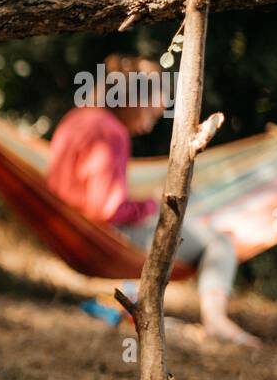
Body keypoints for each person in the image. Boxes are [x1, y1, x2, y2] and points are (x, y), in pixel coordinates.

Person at [48, 54, 259, 346]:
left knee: (191, 216)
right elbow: (106, 209)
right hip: (103, 236)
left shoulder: (78, 117)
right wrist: (152, 204)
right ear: (134, 100)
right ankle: (215, 320)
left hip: (70, 226)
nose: (148, 127)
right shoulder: (111, 132)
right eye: (151, 113)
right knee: (219, 241)